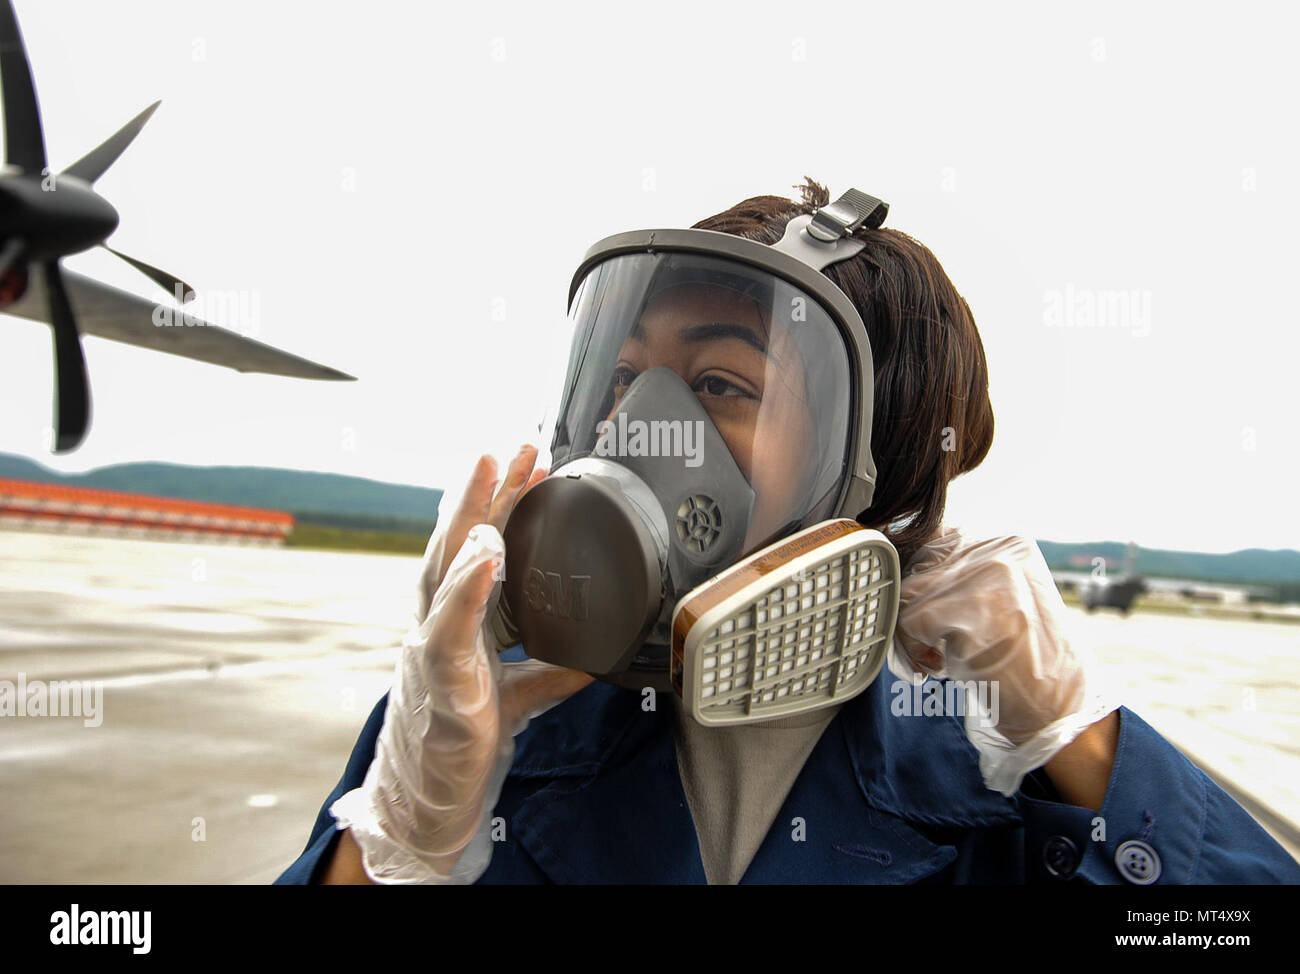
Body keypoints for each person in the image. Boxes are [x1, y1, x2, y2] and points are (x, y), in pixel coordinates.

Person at [276, 179, 1300, 885]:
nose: (635, 428)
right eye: (623, 377)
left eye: (718, 384)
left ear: (875, 458)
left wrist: (1070, 731)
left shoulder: (991, 767)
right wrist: (405, 834)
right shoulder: (479, 715)